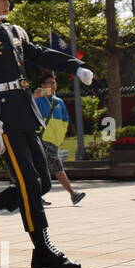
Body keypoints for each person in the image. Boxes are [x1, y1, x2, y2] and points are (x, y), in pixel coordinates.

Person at [0, 0, 95, 268]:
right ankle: (43, 250)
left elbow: (39, 54)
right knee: (29, 184)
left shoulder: (16, 31)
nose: (6, 3)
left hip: (25, 112)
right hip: (5, 118)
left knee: (43, 182)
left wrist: (75, 66)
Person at [33, 72, 86, 206]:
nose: (52, 85)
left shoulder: (59, 102)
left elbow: (65, 120)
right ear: (42, 85)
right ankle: (73, 194)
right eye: (49, 82)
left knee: (42, 168)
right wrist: (35, 95)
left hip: (54, 141)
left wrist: (60, 136)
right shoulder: (39, 99)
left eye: (54, 82)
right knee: (57, 166)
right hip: (43, 139)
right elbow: (30, 111)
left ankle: (36, 196)